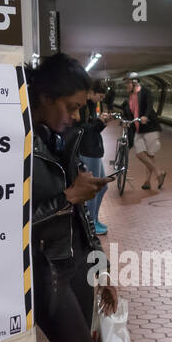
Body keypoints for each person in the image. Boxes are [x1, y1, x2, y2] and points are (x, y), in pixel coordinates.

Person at [29, 53, 155, 342]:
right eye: (72, 106)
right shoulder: (18, 141)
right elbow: (5, 224)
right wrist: (67, 196)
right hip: (44, 273)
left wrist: (100, 266)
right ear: (44, 98)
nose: (78, 115)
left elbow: (81, 210)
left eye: (83, 107)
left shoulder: (58, 136)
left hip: (76, 262)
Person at [72, 80, 113, 236]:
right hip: (87, 151)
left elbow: (93, 129)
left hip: (95, 150)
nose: (100, 100)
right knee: (93, 188)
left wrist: (102, 123)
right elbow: (81, 129)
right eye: (100, 97)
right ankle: (90, 224)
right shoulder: (82, 106)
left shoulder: (90, 106)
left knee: (103, 186)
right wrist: (98, 122)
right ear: (92, 92)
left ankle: (94, 219)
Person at [121, 76, 167, 191]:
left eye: (127, 83)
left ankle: (147, 181)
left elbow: (149, 104)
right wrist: (126, 121)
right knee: (140, 153)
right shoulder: (130, 97)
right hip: (139, 128)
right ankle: (159, 173)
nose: (126, 86)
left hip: (150, 126)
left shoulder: (145, 91)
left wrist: (146, 115)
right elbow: (130, 111)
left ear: (134, 83)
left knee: (150, 154)